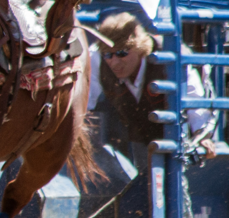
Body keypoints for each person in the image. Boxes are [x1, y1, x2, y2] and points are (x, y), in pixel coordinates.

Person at [88, 12, 217, 168]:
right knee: (145, 182)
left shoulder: (169, 55)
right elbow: (87, 100)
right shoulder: (96, 59)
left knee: (179, 182)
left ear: (139, 47)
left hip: (180, 139)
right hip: (140, 135)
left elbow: (194, 97)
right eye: (108, 54)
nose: (114, 62)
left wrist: (202, 135)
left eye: (122, 53)